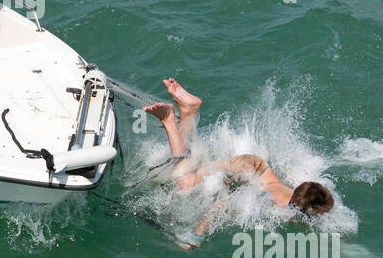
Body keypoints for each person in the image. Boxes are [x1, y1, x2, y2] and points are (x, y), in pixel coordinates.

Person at [141, 78, 334, 248]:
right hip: (244, 171)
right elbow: (223, 206)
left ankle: (188, 110)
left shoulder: (298, 200)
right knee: (184, 180)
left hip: (255, 168)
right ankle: (168, 120)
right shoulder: (276, 206)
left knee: (197, 169)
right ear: (307, 210)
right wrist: (197, 235)